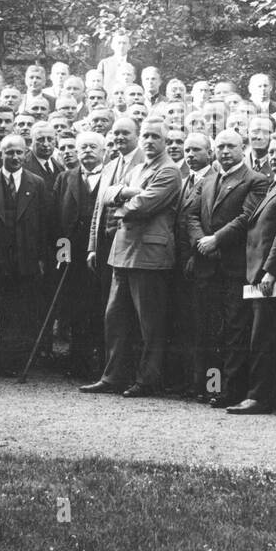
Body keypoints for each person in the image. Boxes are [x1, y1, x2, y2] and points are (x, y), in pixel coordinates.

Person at [81, 118, 181, 398]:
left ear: (164, 141)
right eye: (146, 136)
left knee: (149, 324)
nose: (149, 141)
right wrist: (127, 192)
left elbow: (141, 206)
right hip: (122, 252)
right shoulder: (137, 169)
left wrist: (124, 201)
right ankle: (113, 376)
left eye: (155, 137)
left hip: (149, 255)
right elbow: (106, 194)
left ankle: (148, 379)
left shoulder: (170, 171)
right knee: (115, 319)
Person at [226, 132, 276, 415]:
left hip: (273, 275)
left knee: (264, 337)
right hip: (258, 270)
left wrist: (271, 271)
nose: (273, 157)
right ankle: (268, 394)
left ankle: (260, 396)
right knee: (262, 335)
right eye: (271, 152)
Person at [187, 129, 267, 407]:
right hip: (207, 265)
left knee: (235, 329)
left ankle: (232, 391)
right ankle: (212, 386)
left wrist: (216, 240)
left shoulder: (256, 180)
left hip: (236, 268)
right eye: (219, 146)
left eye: (231, 146)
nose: (224, 151)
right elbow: (192, 214)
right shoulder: (209, 180)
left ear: (243, 148)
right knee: (210, 329)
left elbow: (247, 217)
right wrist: (201, 242)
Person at [0, 135, 52, 376]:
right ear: (0, 154)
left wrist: (41, 258)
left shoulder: (36, 183)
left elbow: (44, 223)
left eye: (19, 153)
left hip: (22, 260)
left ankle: (8, 364)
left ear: (26, 154)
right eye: (9, 152)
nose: (15, 157)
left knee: (14, 313)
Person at [53, 132, 108, 380]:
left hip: (101, 254)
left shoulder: (111, 176)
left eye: (93, 147)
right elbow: (55, 219)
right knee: (75, 308)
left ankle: (100, 364)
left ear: (103, 151)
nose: (87, 151)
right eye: (82, 147)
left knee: (100, 307)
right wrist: (62, 252)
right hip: (72, 256)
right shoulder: (65, 178)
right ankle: (77, 362)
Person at [96, 31, 136, 96]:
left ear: (129, 46)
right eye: (119, 43)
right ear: (112, 46)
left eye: (124, 43)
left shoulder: (137, 64)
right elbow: (98, 84)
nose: (121, 46)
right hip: (109, 100)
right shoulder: (104, 63)